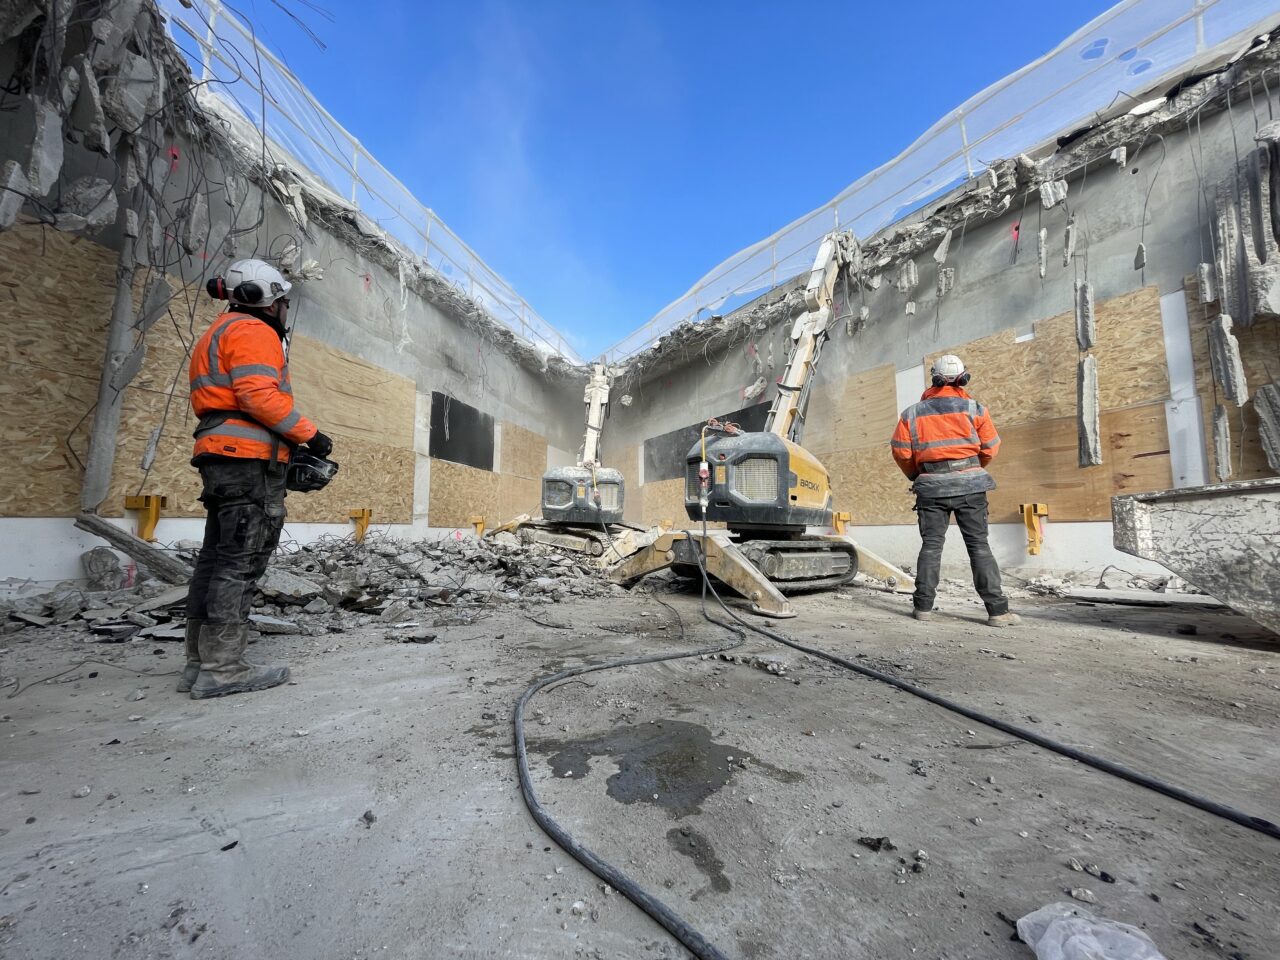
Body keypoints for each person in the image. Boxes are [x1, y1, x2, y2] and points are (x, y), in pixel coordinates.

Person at [181, 259, 334, 699]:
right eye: (283, 300)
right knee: (241, 561)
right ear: (265, 301)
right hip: (246, 461)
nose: (286, 309)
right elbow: (257, 394)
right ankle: (224, 669)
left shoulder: (216, 332)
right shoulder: (253, 331)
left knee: (216, 559)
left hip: (219, 456)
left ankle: (198, 664)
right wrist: (311, 436)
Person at [890, 354, 1018, 626]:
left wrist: (919, 474)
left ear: (934, 378)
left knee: (932, 546)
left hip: (931, 488)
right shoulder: (976, 409)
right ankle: (997, 612)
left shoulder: (910, 414)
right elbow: (990, 447)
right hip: (971, 488)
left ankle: (923, 608)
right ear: (963, 378)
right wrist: (971, 468)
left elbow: (901, 452)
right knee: (979, 547)